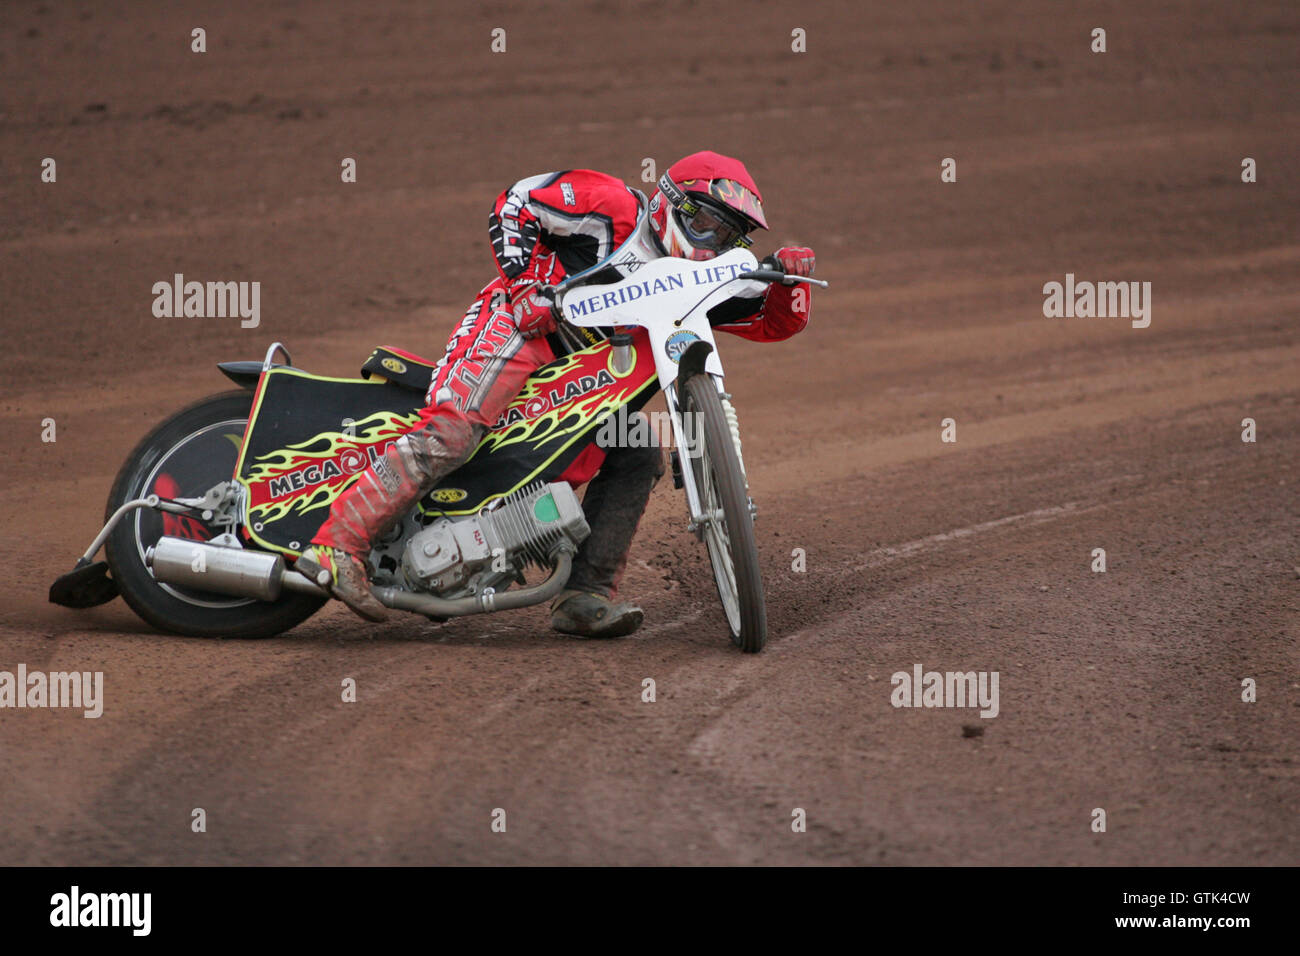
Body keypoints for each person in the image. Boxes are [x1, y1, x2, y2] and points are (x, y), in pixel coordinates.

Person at [299, 150, 816, 636]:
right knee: (454, 431)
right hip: (521, 331)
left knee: (638, 449)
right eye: (704, 223)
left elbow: (772, 324)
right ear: (667, 204)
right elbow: (516, 201)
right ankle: (337, 545)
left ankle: (583, 595)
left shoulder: (715, 275)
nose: (712, 243)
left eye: (729, 236)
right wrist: (524, 284)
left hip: (587, 383)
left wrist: (789, 277)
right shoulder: (612, 208)